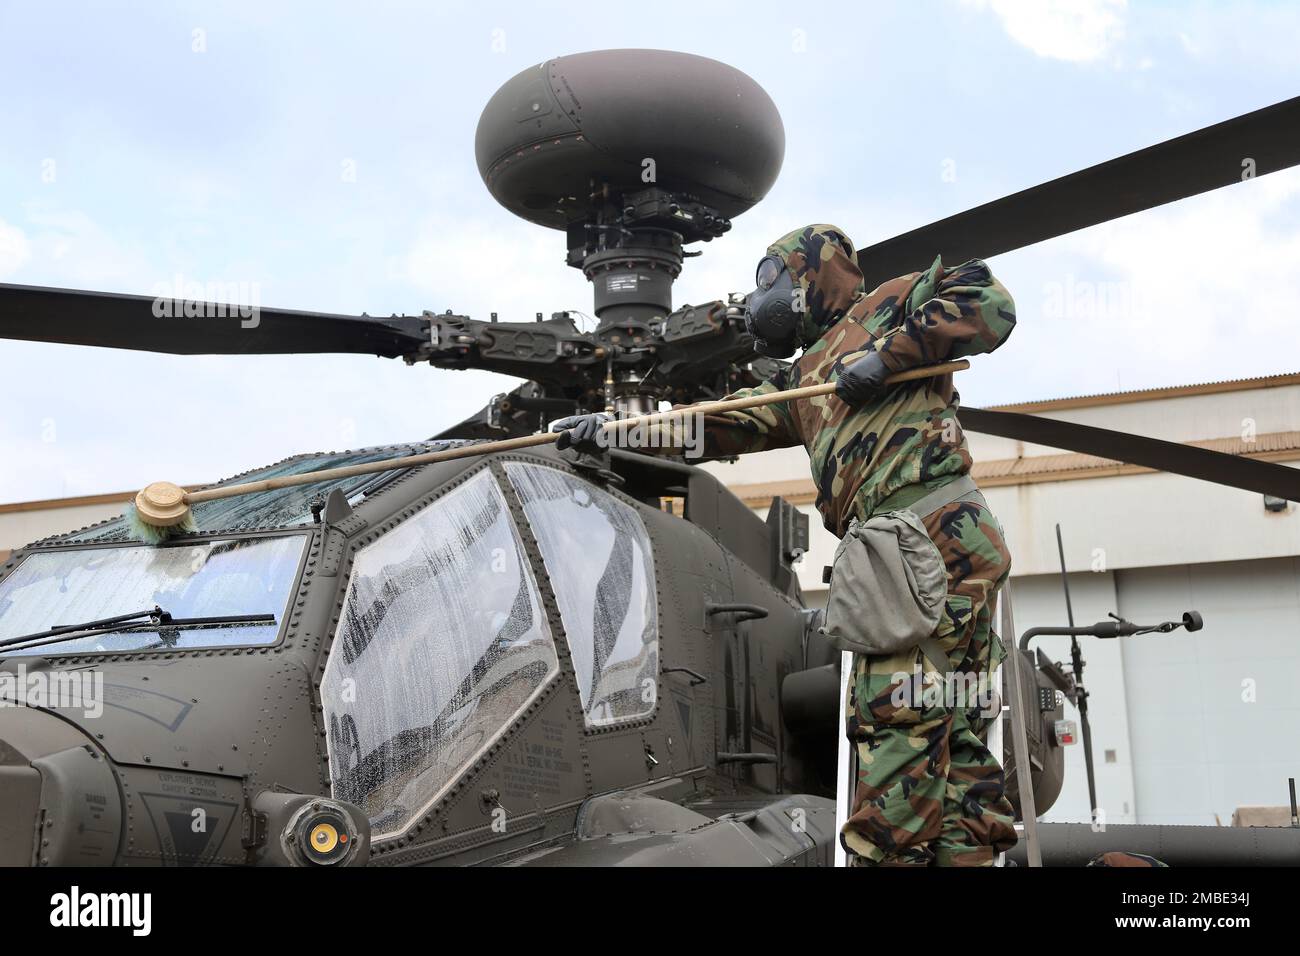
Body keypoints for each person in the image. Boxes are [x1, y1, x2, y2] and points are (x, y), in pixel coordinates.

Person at [557, 224, 1018, 866]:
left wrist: (886, 359)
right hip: (938, 543)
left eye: (766, 280)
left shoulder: (887, 304)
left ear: (809, 275)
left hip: (921, 540)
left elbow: (989, 303)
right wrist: (618, 434)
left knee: (896, 714)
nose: (757, 300)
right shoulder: (806, 378)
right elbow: (725, 424)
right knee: (952, 721)